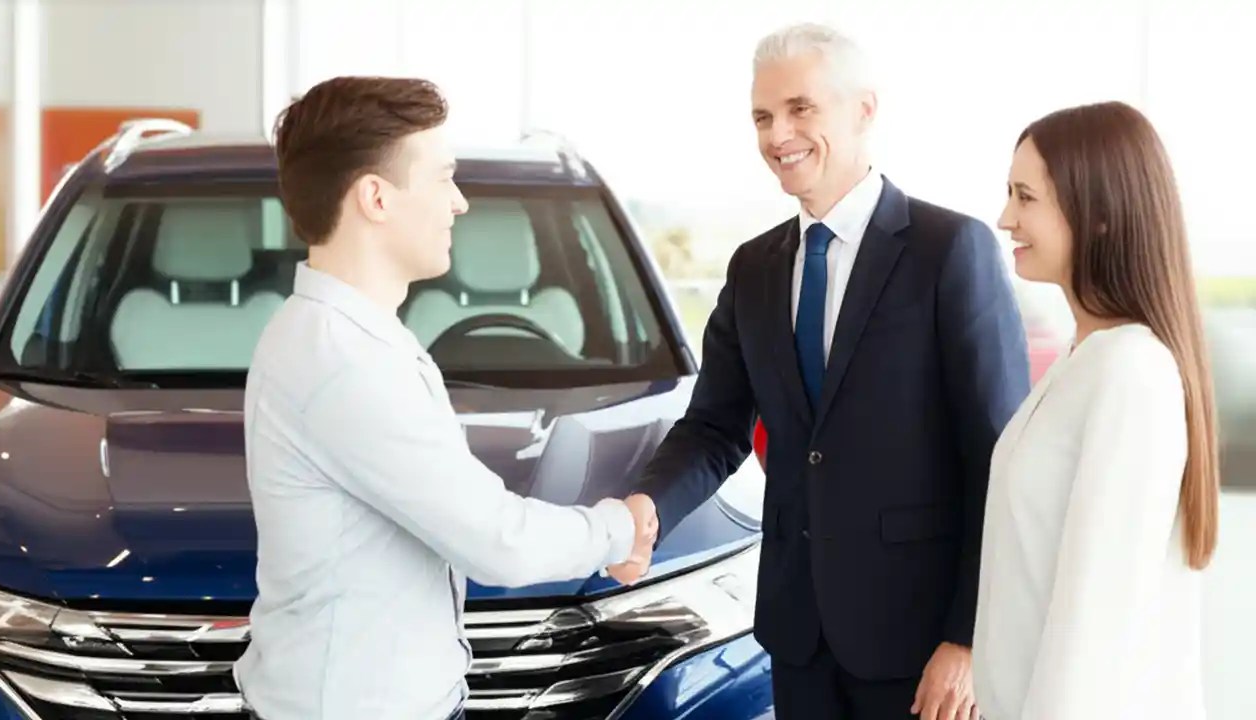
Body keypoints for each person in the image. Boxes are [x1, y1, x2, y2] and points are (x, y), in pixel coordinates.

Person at [610, 22, 1031, 720]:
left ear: (864, 110)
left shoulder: (948, 251)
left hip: (920, 640)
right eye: (762, 117)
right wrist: (647, 509)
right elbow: (716, 426)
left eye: (800, 109)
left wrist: (969, 637)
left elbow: (995, 459)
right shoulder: (754, 267)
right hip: (797, 633)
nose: (779, 135)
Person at [235, 76, 656, 720]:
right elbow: (497, 541)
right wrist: (616, 529)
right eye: (442, 178)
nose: (458, 203)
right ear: (376, 197)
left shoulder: (343, 335)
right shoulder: (344, 363)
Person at [973, 101, 1219, 720]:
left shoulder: (1129, 372)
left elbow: (1097, 624)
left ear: (1100, 216)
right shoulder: (1087, 359)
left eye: (1025, 197)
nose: (1005, 218)